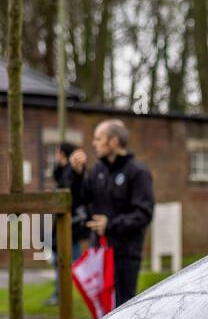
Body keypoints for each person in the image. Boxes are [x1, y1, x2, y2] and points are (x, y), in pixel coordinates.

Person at [69, 119, 154, 306]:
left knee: (122, 308)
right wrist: (77, 174)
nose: (94, 143)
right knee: (102, 311)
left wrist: (111, 224)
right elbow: (80, 199)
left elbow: (144, 214)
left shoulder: (137, 172)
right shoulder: (98, 170)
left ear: (114, 141)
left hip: (125, 253)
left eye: (99, 139)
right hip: (99, 252)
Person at [46, 142, 86, 306]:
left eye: (57, 152)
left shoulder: (72, 172)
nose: (55, 154)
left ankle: (68, 293)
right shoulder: (63, 171)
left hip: (70, 225)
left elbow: (72, 191)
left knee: (74, 263)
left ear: (62, 153)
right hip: (64, 225)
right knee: (61, 261)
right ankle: (60, 294)